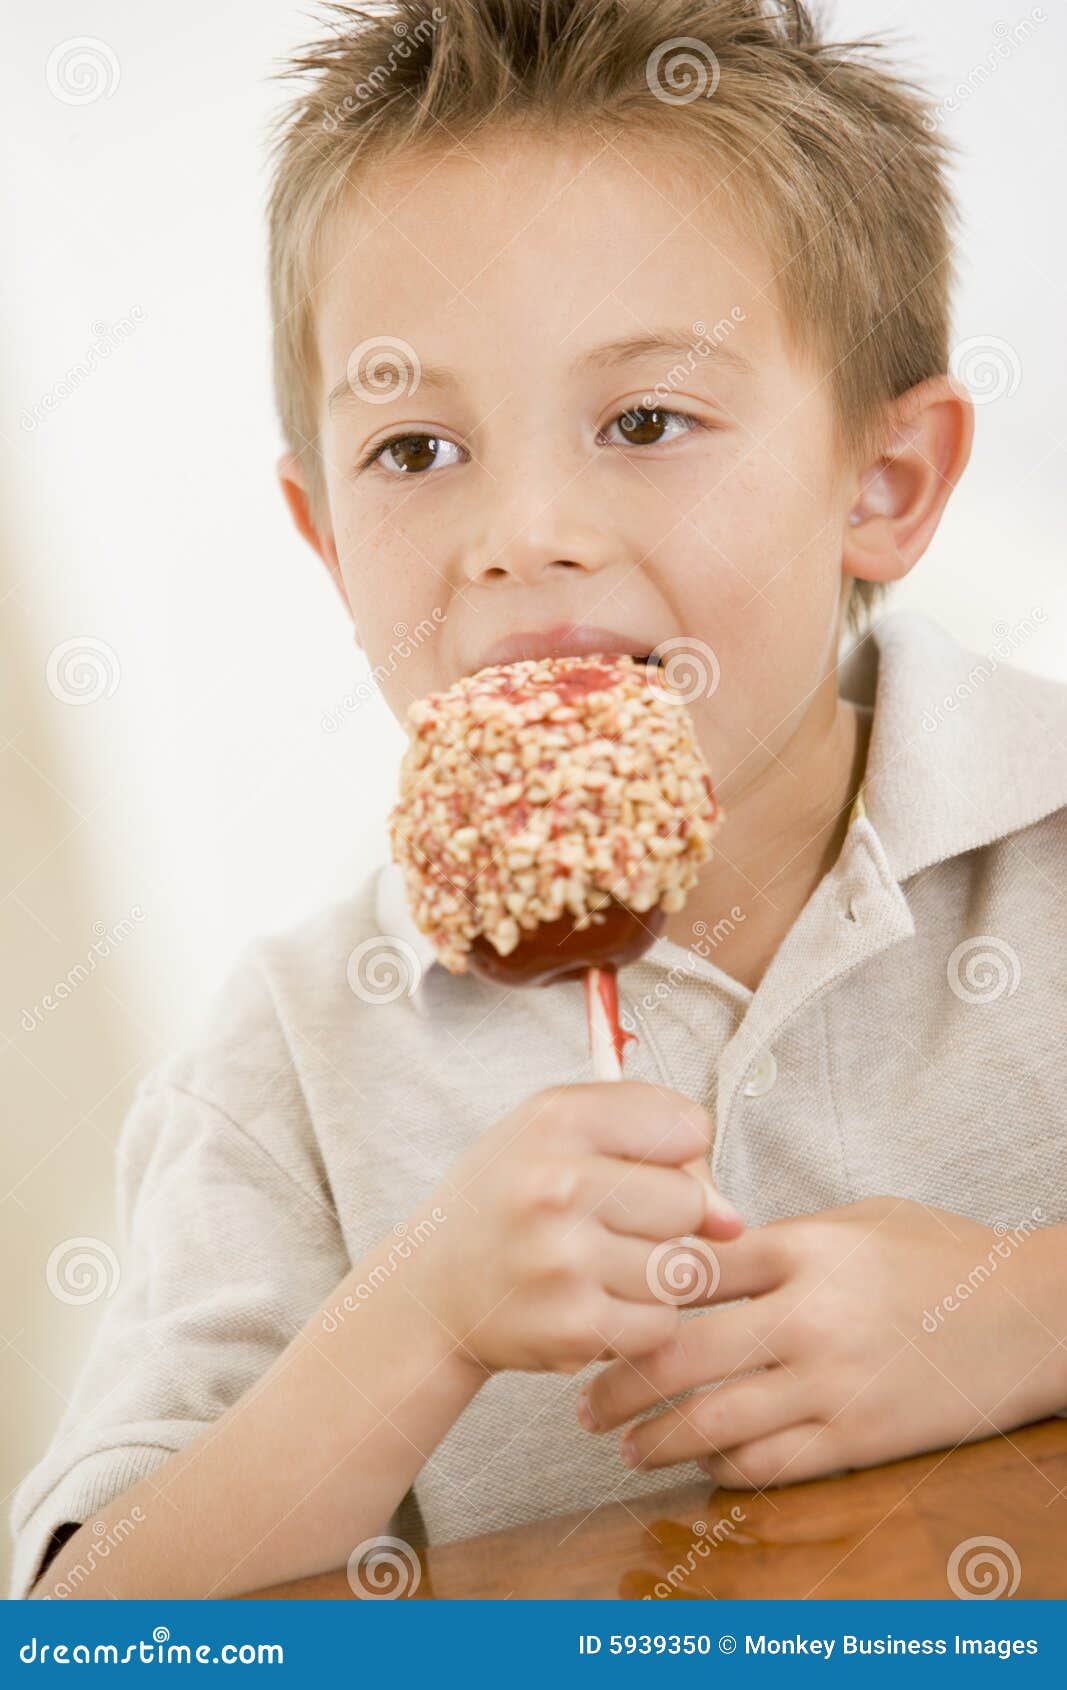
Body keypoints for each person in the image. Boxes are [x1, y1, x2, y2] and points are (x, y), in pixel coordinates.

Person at [12, 0, 1065, 1600]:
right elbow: (96, 1624)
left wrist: (1020, 1310)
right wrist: (415, 1320)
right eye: (418, 447)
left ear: (885, 485)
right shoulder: (291, 1057)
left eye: (646, 420)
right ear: (324, 543)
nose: (525, 533)